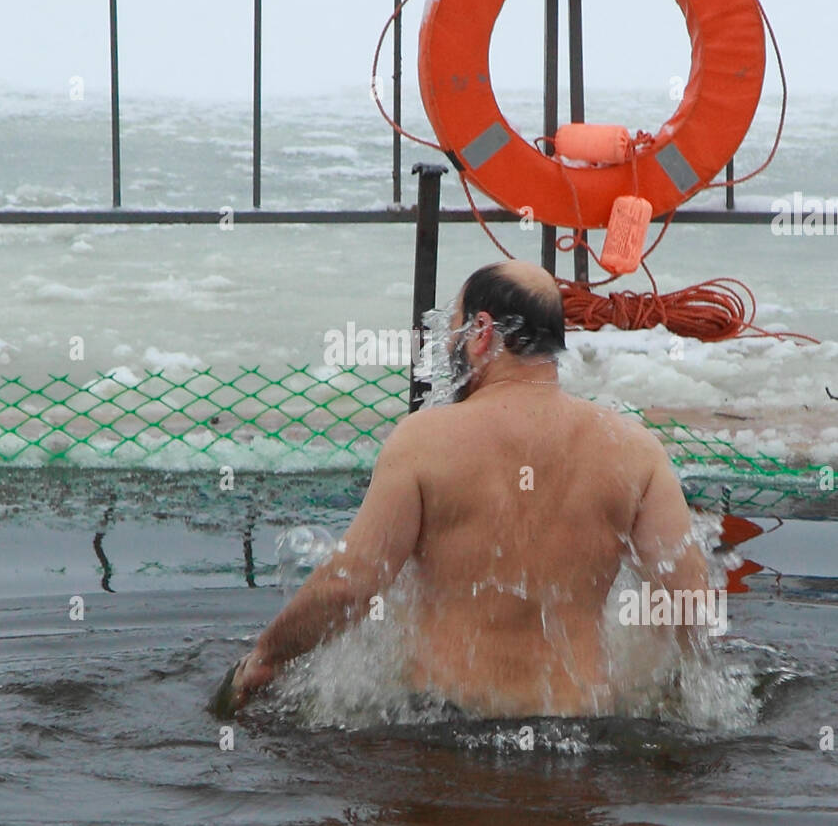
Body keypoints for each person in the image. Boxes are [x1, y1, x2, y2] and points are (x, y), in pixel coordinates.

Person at [215, 261, 708, 719]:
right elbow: (688, 599)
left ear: (482, 333)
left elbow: (350, 585)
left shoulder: (424, 440)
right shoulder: (635, 449)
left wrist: (265, 656)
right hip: (582, 727)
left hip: (447, 726)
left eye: (454, 328)